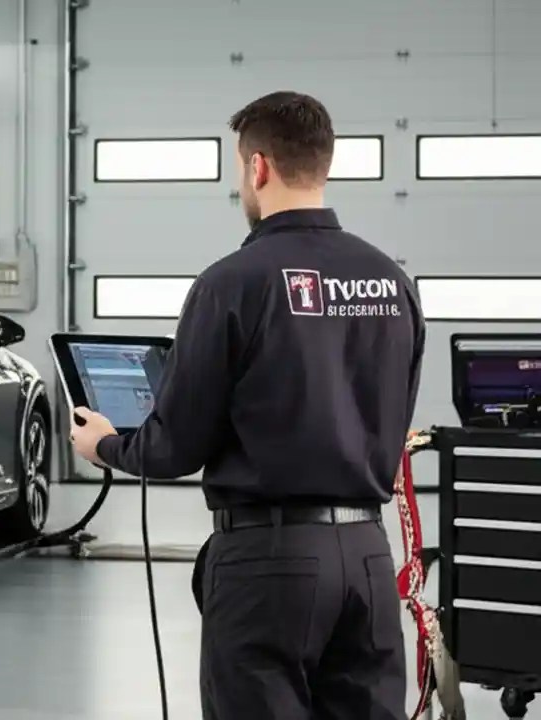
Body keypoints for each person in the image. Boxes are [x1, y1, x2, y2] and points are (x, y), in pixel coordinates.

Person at [68, 91, 425, 720]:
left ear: (258, 167)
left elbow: (175, 445)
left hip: (269, 564)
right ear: (324, 163)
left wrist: (106, 445)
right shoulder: (391, 282)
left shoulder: (233, 282)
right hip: (369, 557)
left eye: (240, 168)